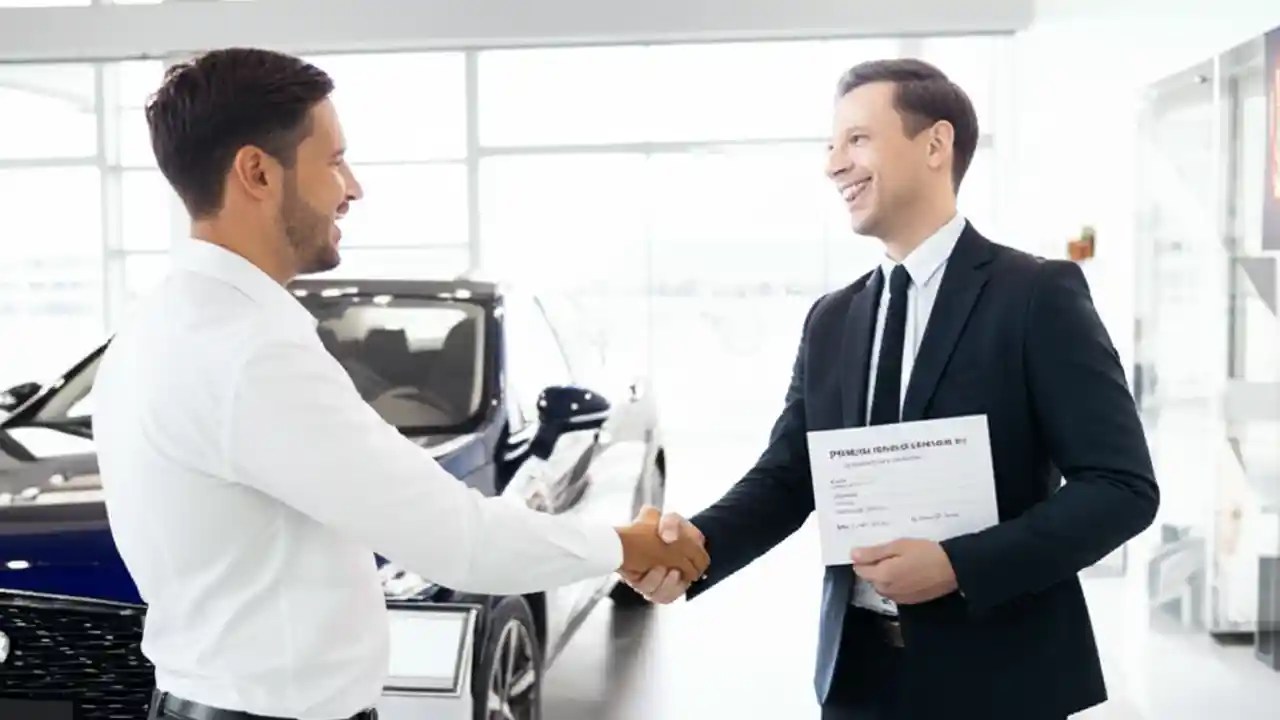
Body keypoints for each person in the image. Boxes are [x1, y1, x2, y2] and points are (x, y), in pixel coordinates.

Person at [91, 48, 709, 720]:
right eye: (332, 161)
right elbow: (459, 539)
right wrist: (623, 544)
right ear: (257, 172)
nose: (351, 188)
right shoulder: (248, 353)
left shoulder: (156, 327)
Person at [625, 58, 1159, 719]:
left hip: (1001, 681)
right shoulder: (833, 319)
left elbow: (1121, 488)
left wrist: (961, 564)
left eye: (856, 139)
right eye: (830, 145)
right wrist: (696, 547)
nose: (833, 165)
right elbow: (792, 475)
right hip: (859, 680)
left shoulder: (1035, 296)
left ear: (936, 145)